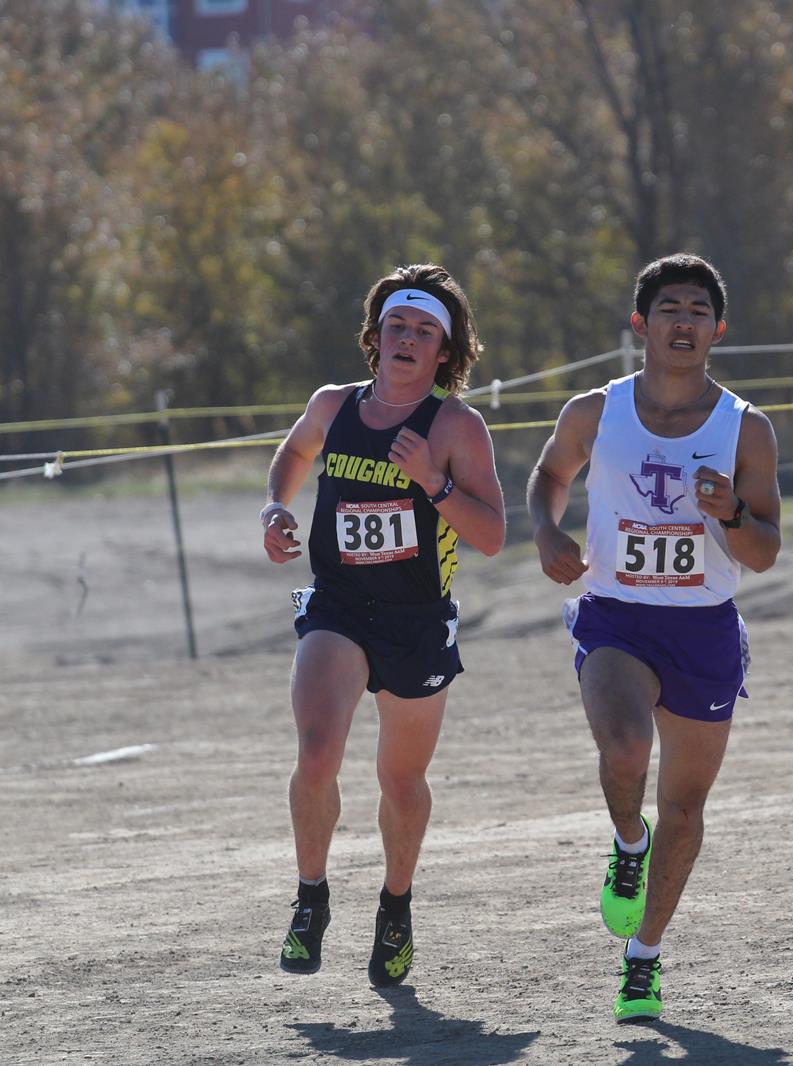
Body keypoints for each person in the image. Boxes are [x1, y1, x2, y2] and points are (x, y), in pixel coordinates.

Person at [526, 253, 782, 1022]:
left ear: (717, 328)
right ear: (641, 324)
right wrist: (545, 530)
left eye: (698, 310)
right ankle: (625, 846)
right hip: (616, 615)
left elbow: (765, 552)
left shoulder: (747, 427)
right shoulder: (595, 411)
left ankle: (643, 960)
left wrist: (732, 512)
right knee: (626, 752)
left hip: (703, 628)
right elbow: (547, 477)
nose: (683, 321)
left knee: (686, 806)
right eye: (669, 307)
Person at [260, 264, 505, 985]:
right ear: (375, 336)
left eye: (425, 330)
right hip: (337, 605)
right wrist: (276, 507)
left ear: (444, 353)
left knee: (399, 779)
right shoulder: (334, 406)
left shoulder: (456, 425)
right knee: (315, 752)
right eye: (397, 325)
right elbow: (294, 452)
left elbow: (491, 534)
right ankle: (311, 898)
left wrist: (433, 481)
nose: (407, 338)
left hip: (416, 618)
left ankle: (395, 906)